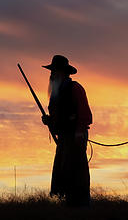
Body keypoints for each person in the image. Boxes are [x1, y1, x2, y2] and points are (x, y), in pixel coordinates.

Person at [41, 55, 92, 207]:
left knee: (77, 169)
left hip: (76, 135)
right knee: (64, 168)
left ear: (62, 72)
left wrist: (79, 132)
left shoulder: (75, 88)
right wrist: (49, 121)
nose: (51, 74)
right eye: (51, 71)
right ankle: (69, 203)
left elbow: (85, 114)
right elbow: (58, 117)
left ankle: (81, 204)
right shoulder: (56, 93)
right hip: (64, 136)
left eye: (54, 71)